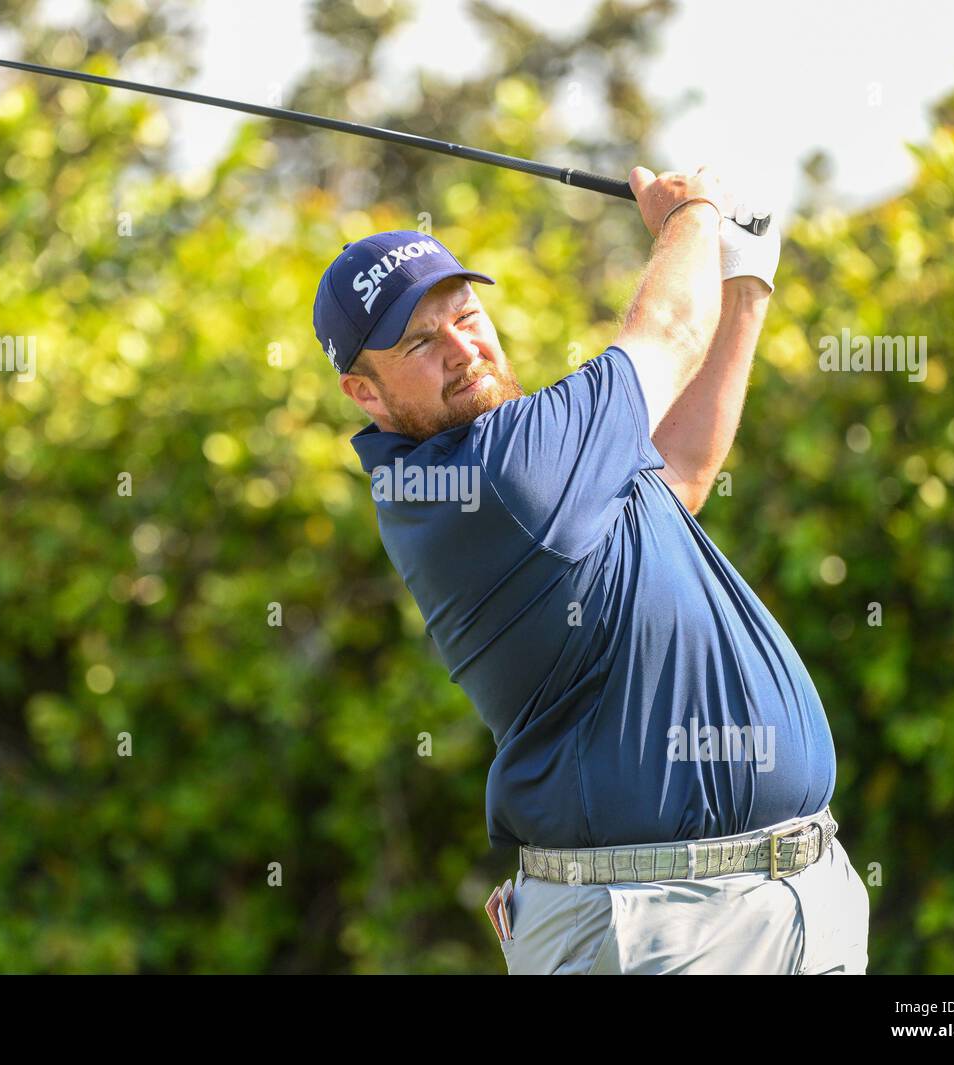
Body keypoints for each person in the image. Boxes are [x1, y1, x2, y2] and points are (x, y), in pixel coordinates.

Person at [311, 166, 869, 974]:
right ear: (364, 391)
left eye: (467, 315)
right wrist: (691, 212)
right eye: (420, 343)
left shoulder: (547, 461)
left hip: (794, 902)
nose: (463, 349)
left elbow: (677, 474)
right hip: (650, 925)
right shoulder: (498, 474)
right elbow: (671, 330)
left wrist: (744, 287)